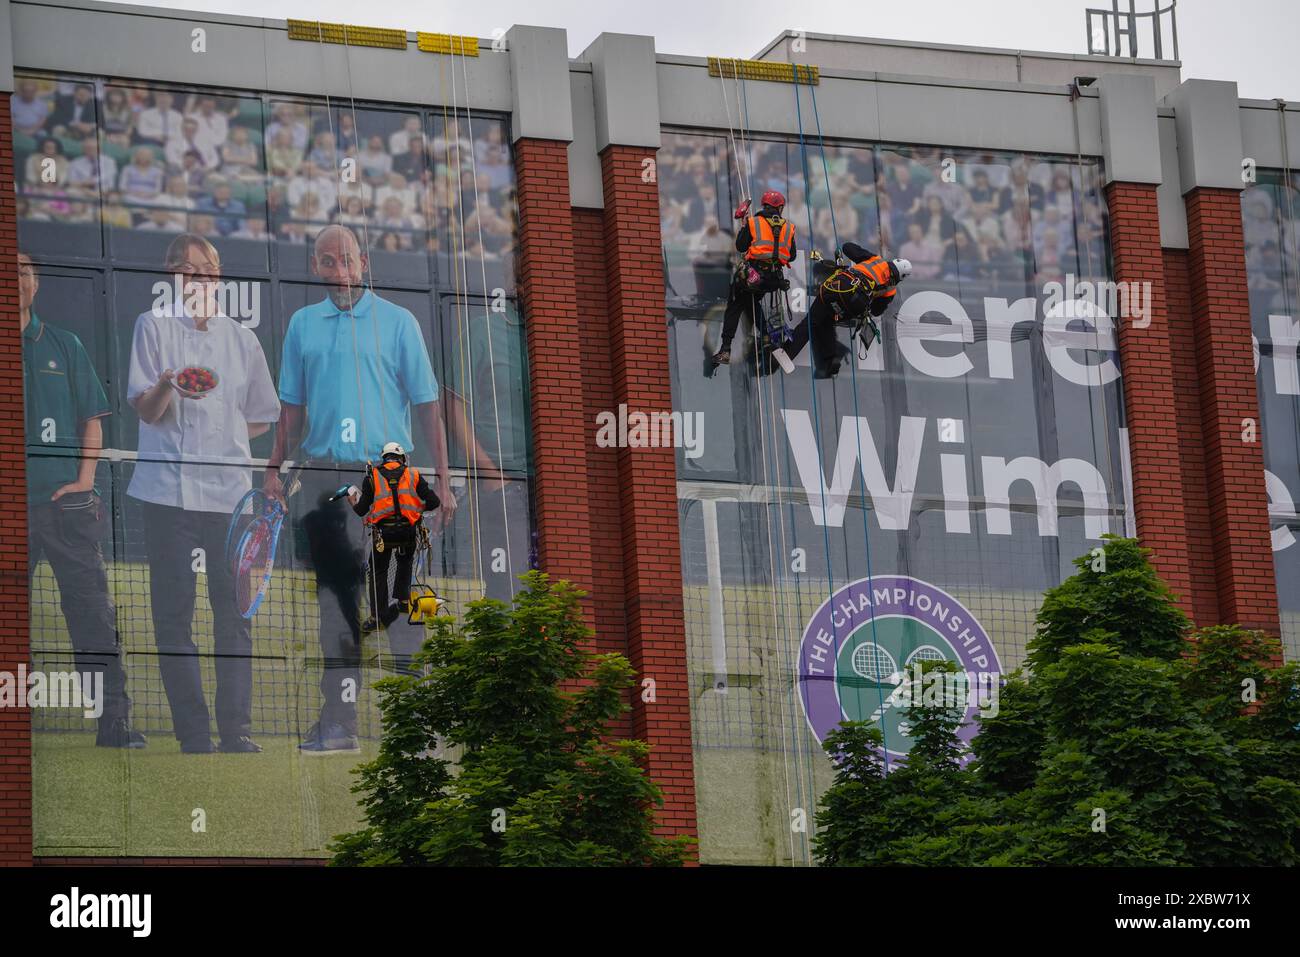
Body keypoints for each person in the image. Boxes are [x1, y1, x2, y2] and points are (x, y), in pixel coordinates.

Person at [263, 224, 457, 754]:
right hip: (323, 481)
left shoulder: (399, 323)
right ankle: (338, 725)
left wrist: (442, 480)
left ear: (364, 262)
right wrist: (271, 469)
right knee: (336, 607)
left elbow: (427, 406)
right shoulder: (302, 325)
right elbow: (291, 412)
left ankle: (415, 729)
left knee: (399, 607)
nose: (339, 270)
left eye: (346, 259)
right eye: (328, 261)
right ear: (316, 266)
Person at [126, 234, 280, 754]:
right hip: (166, 495)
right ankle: (193, 734)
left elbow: (260, 416)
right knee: (173, 618)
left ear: (219, 276)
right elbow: (146, 410)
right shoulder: (152, 327)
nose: (197, 279)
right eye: (186, 270)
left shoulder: (242, 340)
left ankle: (235, 728)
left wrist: (228, 436)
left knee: (232, 615)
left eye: (206, 270)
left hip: (227, 497)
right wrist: (170, 383)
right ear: (171, 275)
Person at [19, 253, 145, 748]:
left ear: (37, 283)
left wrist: (85, 479)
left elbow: (91, 420)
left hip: (63, 509)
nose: (16, 280)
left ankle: (112, 722)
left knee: (93, 615)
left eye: (24, 271)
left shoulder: (63, 345)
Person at [770, 243, 912, 378]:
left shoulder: (875, 260)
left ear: (893, 261)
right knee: (824, 324)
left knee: (810, 323)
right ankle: (827, 359)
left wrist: (863, 261)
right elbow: (876, 311)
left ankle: (787, 352)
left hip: (832, 290)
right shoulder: (889, 291)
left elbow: (847, 247)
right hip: (845, 309)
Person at [342, 442, 440, 632]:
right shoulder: (414, 475)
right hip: (408, 532)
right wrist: (417, 511)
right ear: (403, 458)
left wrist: (352, 501)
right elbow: (434, 502)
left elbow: (362, 510)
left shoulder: (372, 477)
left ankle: (376, 616)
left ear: (384, 458)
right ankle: (403, 600)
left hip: (384, 534)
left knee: (379, 572)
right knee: (405, 561)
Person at [712, 190, 797, 367]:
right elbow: (792, 256)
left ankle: (726, 349)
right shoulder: (789, 227)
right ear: (780, 208)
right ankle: (766, 336)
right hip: (773, 280)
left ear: (764, 205)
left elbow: (741, 246)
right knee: (751, 301)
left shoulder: (753, 222)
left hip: (753, 276)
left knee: (735, 305)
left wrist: (744, 226)